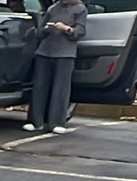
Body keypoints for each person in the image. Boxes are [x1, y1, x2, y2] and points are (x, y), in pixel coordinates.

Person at [25, 0, 88, 134]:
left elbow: (81, 31)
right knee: (39, 86)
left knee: (60, 89)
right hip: (44, 51)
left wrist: (66, 28)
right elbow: (40, 32)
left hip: (65, 53)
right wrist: (47, 29)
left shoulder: (80, 8)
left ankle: (56, 122)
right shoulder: (53, 8)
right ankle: (35, 121)